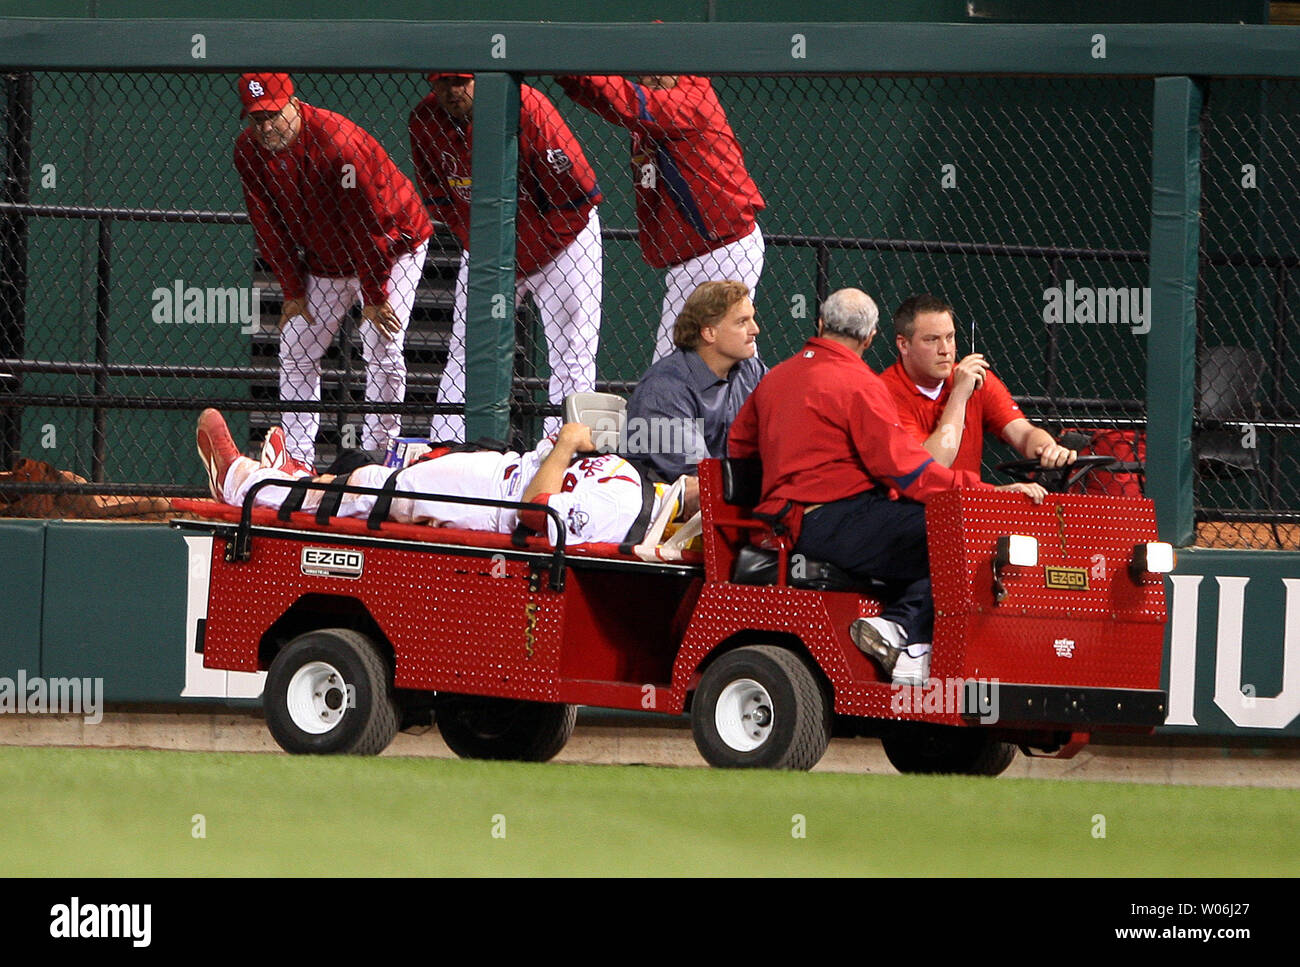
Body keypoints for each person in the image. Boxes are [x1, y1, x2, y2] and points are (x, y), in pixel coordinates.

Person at [727, 289, 1044, 686]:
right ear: (872, 337)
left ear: (821, 325)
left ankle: (899, 632)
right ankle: (903, 635)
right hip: (837, 522)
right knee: (957, 537)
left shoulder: (775, 378)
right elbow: (905, 471)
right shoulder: (862, 384)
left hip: (792, 524)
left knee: (924, 534)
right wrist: (980, 495)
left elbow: (739, 446)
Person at [233, 72, 433, 468]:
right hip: (326, 256)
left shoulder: (338, 144)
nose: (267, 126)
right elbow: (268, 226)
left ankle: (378, 455)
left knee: (381, 343)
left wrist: (375, 297)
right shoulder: (248, 152)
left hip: (394, 245)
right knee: (295, 346)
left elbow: (369, 226)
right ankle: (297, 460)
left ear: (294, 103)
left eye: (274, 114)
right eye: (257, 119)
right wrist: (292, 290)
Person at [410, 73, 603, 440]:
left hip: (564, 243)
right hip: (488, 247)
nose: (452, 91)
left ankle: (564, 454)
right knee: (467, 348)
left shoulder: (526, 107)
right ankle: (448, 447)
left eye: (461, 81)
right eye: (442, 83)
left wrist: (524, 255)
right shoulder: (424, 120)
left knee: (572, 354)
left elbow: (577, 197)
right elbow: (437, 195)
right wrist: (483, 247)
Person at [196, 409, 697, 549]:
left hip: (490, 504)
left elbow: (535, 514)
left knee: (375, 489)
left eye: (701, 492)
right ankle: (293, 477)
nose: (699, 482)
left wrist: (566, 445)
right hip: (498, 470)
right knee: (383, 473)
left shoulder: (622, 508)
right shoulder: (635, 478)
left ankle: (240, 483)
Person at [557, 73, 765, 361]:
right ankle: (754, 404)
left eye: (662, 73)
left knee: (677, 359)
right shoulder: (658, 107)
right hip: (706, 251)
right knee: (725, 353)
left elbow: (628, 102)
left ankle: (671, 407)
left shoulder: (691, 99)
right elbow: (611, 103)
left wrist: (575, 65)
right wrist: (571, 78)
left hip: (721, 249)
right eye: (646, 73)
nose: (653, 80)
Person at [881, 294, 1076, 475]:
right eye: (931, 340)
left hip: (968, 505)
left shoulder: (977, 379)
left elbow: (1023, 433)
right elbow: (929, 469)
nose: (945, 350)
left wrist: (1048, 448)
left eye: (950, 337)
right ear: (903, 345)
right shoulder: (884, 392)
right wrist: (959, 395)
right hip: (913, 508)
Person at [624, 280, 765, 481]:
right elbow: (701, 478)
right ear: (709, 332)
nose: (755, 329)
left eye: (752, 319)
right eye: (742, 322)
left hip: (731, 491)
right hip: (673, 502)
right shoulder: (664, 389)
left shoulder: (751, 371)